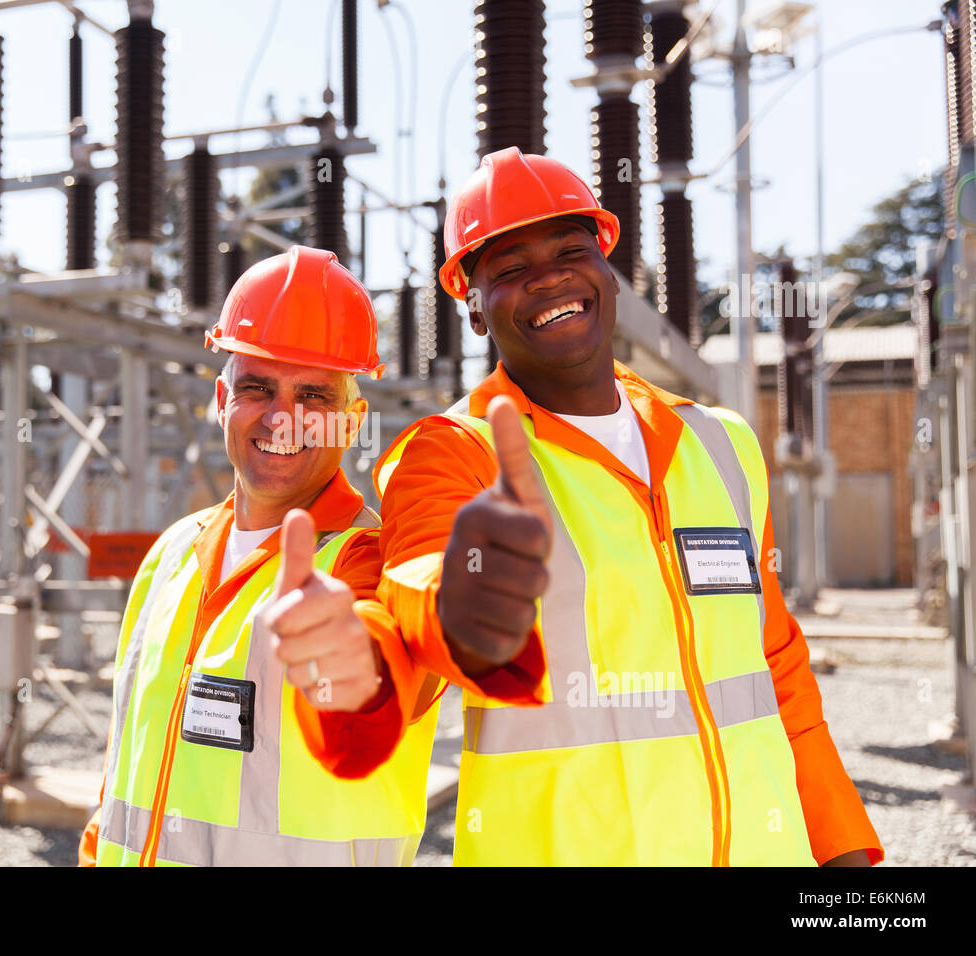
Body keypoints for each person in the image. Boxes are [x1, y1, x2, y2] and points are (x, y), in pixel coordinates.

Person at [371, 146, 883, 866]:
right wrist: (456, 612)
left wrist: (842, 852)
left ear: (608, 271)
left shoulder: (721, 445)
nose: (549, 277)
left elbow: (773, 665)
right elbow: (420, 584)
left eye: (570, 250)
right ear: (475, 310)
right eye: (509, 269)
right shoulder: (452, 452)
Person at [78, 244, 439, 866]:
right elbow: (123, 769)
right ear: (222, 402)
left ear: (352, 423)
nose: (282, 417)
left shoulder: (376, 565)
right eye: (258, 387)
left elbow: (387, 670)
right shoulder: (171, 556)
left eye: (315, 396)